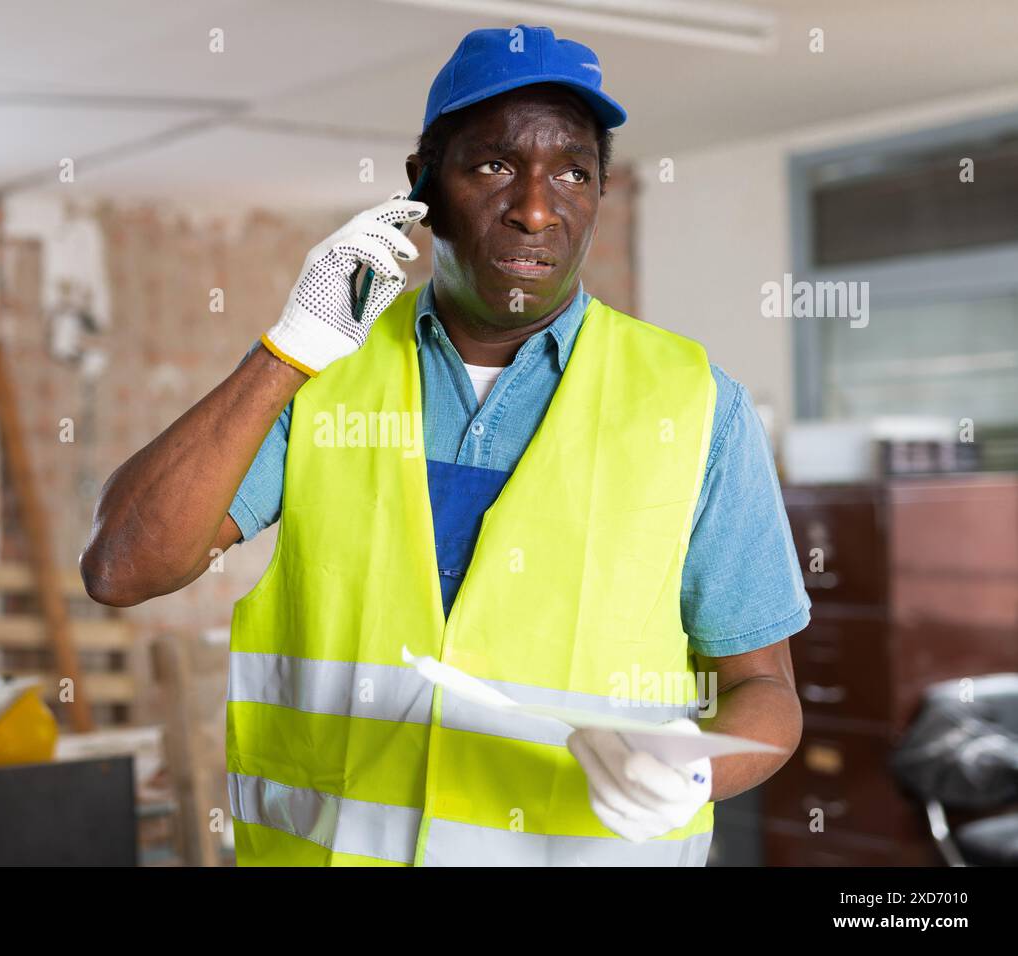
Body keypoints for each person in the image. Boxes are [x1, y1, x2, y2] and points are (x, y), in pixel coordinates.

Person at [82, 23, 809, 866]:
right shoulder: (322, 370)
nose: (537, 208)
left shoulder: (693, 403)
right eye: (494, 165)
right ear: (421, 184)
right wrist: (283, 353)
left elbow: (763, 690)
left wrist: (694, 772)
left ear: (600, 192)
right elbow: (121, 568)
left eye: (573, 171)